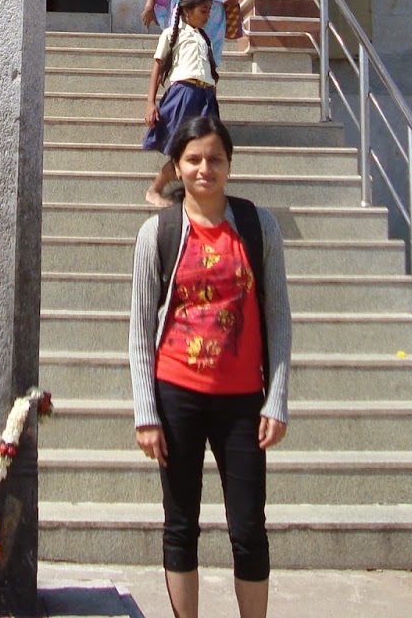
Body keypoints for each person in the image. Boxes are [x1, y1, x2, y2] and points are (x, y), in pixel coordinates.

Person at [130, 115, 291, 618]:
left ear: (229, 164)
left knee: (248, 527)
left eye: (215, 159)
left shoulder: (258, 226)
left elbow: (278, 316)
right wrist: (145, 411)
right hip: (177, 393)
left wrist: (277, 396)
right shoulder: (158, 232)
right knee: (181, 524)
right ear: (176, 166)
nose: (205, 169)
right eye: (194, 159)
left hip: (243, 401)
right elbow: (139, 325)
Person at [143, 0, 218, 208]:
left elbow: (210, 74)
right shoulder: (171, 34)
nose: (207, 16)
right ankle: (154, 189)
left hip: (205, 97)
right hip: (183, 94)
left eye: (209, 11)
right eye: (203, 11)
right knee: (182, 147)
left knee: (203, 147)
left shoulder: (205, 39)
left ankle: (192, 195)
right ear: (186, 11)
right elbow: (157, 68)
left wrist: (213, 101)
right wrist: (150, 102)